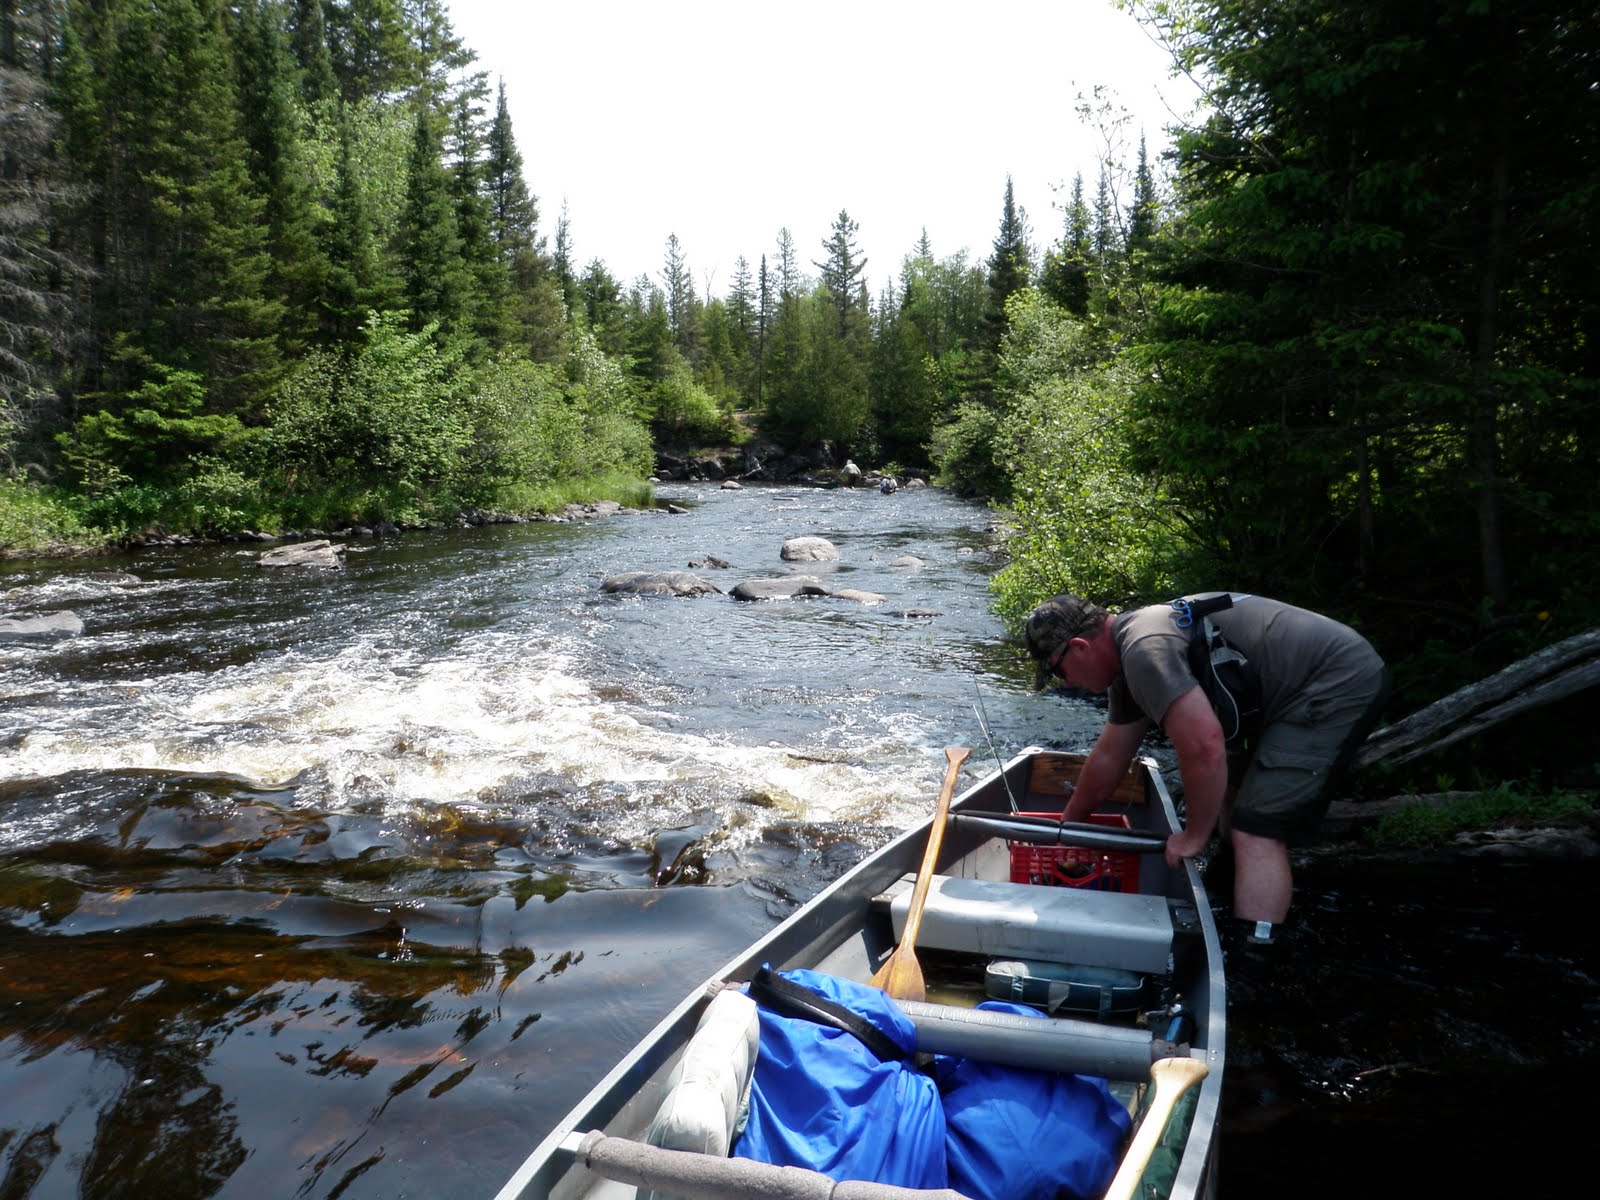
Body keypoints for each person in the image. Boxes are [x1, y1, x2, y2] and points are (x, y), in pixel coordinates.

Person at [1023, 592, 1388, 939]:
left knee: (1256, 830)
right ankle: (1227, 900)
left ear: (1080, 647)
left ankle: (1255, 955)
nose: (1067, 682)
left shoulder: (1144, 651)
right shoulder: (1127, 662)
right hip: (1284, 691)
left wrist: (1194, 836)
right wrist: (1066, 830)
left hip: (1333, 681)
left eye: (1058, 672)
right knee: (1231, 796)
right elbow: (1109, 757)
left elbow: (1204, 747)